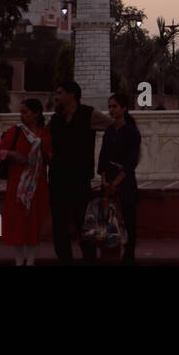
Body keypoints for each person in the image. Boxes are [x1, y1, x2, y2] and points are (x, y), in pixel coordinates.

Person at [48, 81, 111, 264]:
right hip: (57, 180)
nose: (56, 97)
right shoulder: (55, 119)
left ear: (71, 95)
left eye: (59, 92)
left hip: (79, 180)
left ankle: (89, 259)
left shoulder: (89, 114)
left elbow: (114, 127)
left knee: (83, 224)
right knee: (59, 226)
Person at [0, 98, 52, 266]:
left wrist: (43, 154)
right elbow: (0, 152)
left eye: (25, 112)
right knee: (18, 221)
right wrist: (14, 155)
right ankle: (19, 260)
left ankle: (31, 260)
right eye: (21, 112)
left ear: (36, 114)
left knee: (34, 222)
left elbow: (50, 156)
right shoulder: (15, 132)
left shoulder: (44, 134)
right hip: (17, 184)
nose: (21, 116)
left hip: (37, 184)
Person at [97, 91, 142, 264]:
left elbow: (131, 161)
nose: (111, 110)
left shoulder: (132, 133)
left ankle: (129, 255)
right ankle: (109, 252)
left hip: (125, 181)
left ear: (124, 109)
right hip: (108, 180)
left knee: (129, 220)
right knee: (107, 219)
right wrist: (104, 180)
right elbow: (103, 157)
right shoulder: (109, 131)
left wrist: (116, 182)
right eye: (109, 107)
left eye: (115, 106)